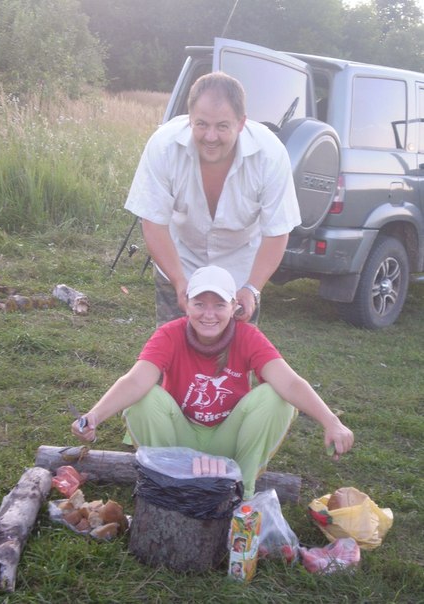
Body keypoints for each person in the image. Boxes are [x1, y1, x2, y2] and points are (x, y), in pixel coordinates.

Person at [71, 265, 354, 500]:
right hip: (180, 436)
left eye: (219, 305)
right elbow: (135, 380)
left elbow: (290, 383)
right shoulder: (169, 334)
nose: (209, 314)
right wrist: (94, 416)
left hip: (227, 437)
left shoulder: (248, 336)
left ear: (234, 306)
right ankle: (167, 487)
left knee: (277, 397)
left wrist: (331, 422)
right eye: (199, 304)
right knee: (142, 399)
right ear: (186, 304)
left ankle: (240, 493)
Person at [124, 71, 301, 325]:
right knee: (173, 347)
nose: (210, 137)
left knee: (237, 351)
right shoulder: (163, 146)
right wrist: (179, 282)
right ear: (190, 119)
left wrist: (252, 288)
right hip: (179, 260)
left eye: (222, 126)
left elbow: (277, 231)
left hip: (239, 272)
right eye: (202, 124)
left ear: (241, 123)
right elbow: (153, 223)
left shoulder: (271, 155)